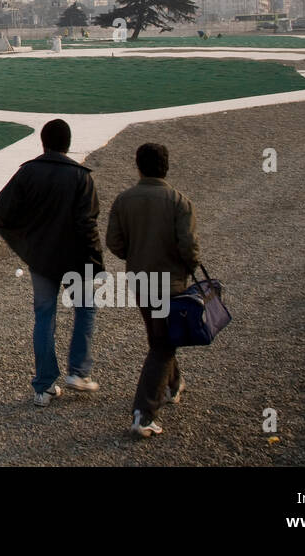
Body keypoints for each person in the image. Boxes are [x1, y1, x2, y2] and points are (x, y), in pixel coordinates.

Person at [0, 119, 102, 406]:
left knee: (44, 317)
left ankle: (44, 386)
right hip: (76, 257)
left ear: (43, 142)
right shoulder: (81, 177)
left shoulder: (28, 172)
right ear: (68, 144)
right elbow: (87, 225)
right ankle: (78, 372)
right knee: (86, 309)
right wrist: (97, 262)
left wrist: (25, 241)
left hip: (41, 258)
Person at [105, 142, 200, 438]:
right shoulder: (178, 201)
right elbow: (189, 247)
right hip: (169, 283)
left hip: (140, 282)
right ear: (166, 167)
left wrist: (136, 256)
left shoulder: (124, 200)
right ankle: (144, 414)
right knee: (163, 344)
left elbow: (114, 242)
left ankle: (173, 385)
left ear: (138, 166)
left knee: (159, 336)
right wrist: (188, 265)